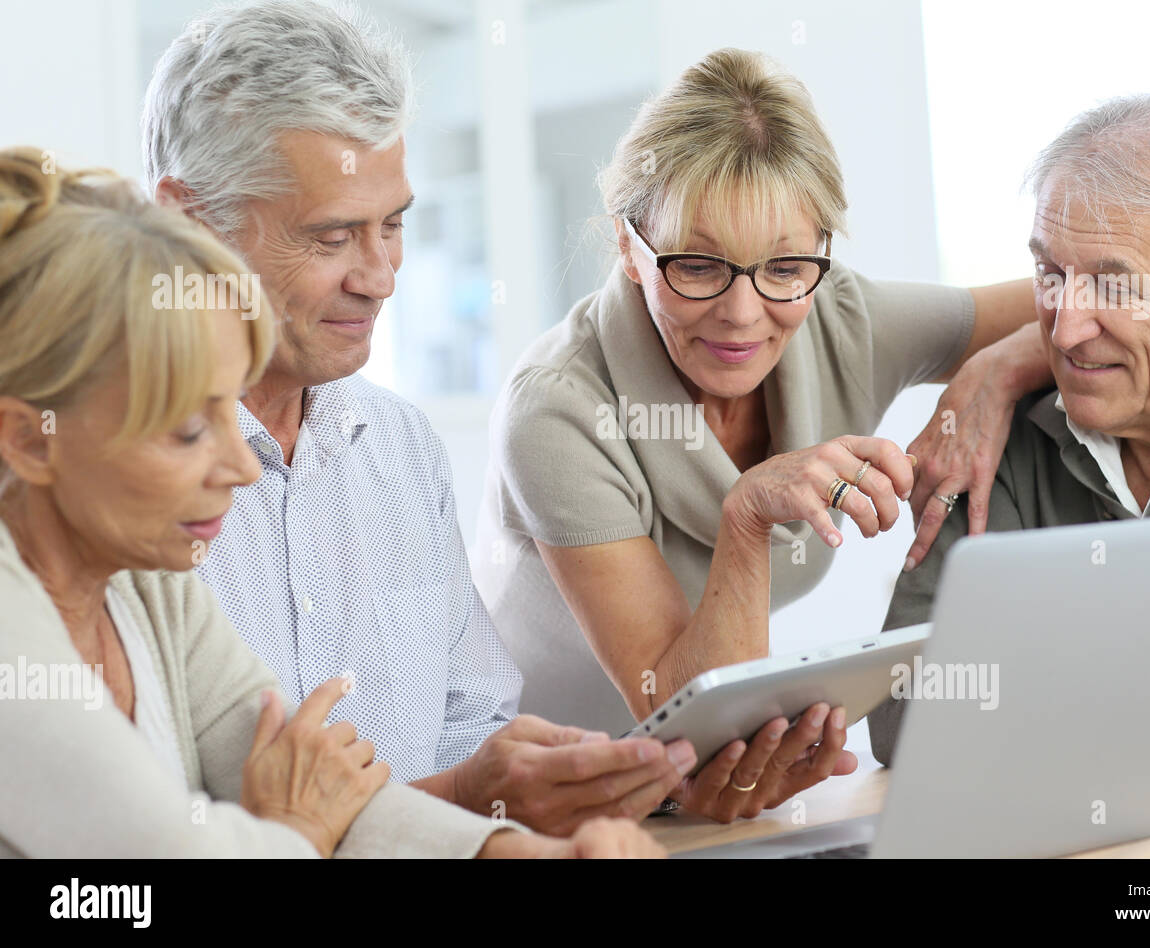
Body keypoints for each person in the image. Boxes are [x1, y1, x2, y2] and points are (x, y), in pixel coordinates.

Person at [0, 148, 660, 857]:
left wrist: (528, 854)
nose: (238, 466)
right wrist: (298, 833)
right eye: (189, 430)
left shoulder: (146, 585)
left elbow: (329, 790)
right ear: (29, 440)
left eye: (229, 407)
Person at [143, 0, 693, 837]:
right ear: (187, 221)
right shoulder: (107, 482)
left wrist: (599, 784)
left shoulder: (398, 448)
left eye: (393, 226)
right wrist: (466, 806)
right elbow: (141, 847)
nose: (381, 277)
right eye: (332, 238)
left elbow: (471, 731)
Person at [473, 47, 1053, 822]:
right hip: (548, 805)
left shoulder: (843, 316)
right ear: (628, 246)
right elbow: (681, 711)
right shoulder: (557, 410)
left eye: (783, 266)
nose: (743, 315)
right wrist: (747, 518)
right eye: (700, 266)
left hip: (707, 793)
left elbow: (1090, 300)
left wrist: (999, 368)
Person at [867, 90, 1150, 784]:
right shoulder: (997, 429)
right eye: (1051, 273)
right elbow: (902, 708)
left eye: (1113, 284)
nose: (1064, 331)